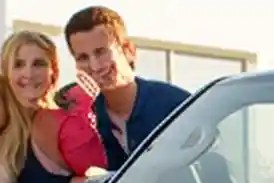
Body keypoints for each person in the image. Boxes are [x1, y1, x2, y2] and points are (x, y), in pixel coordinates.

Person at [0, 30, 107, 183]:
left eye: (39, 64)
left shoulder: (71, 121)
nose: (28, 74)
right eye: (19, 65)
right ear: (7, 73)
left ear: (53, 71)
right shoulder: (7, 141)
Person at [63, 6, 191, 172]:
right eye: (83, 58)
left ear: (129, 50)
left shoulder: (178, 106)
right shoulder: (80, 120)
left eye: (101, 52)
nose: (95, 66)